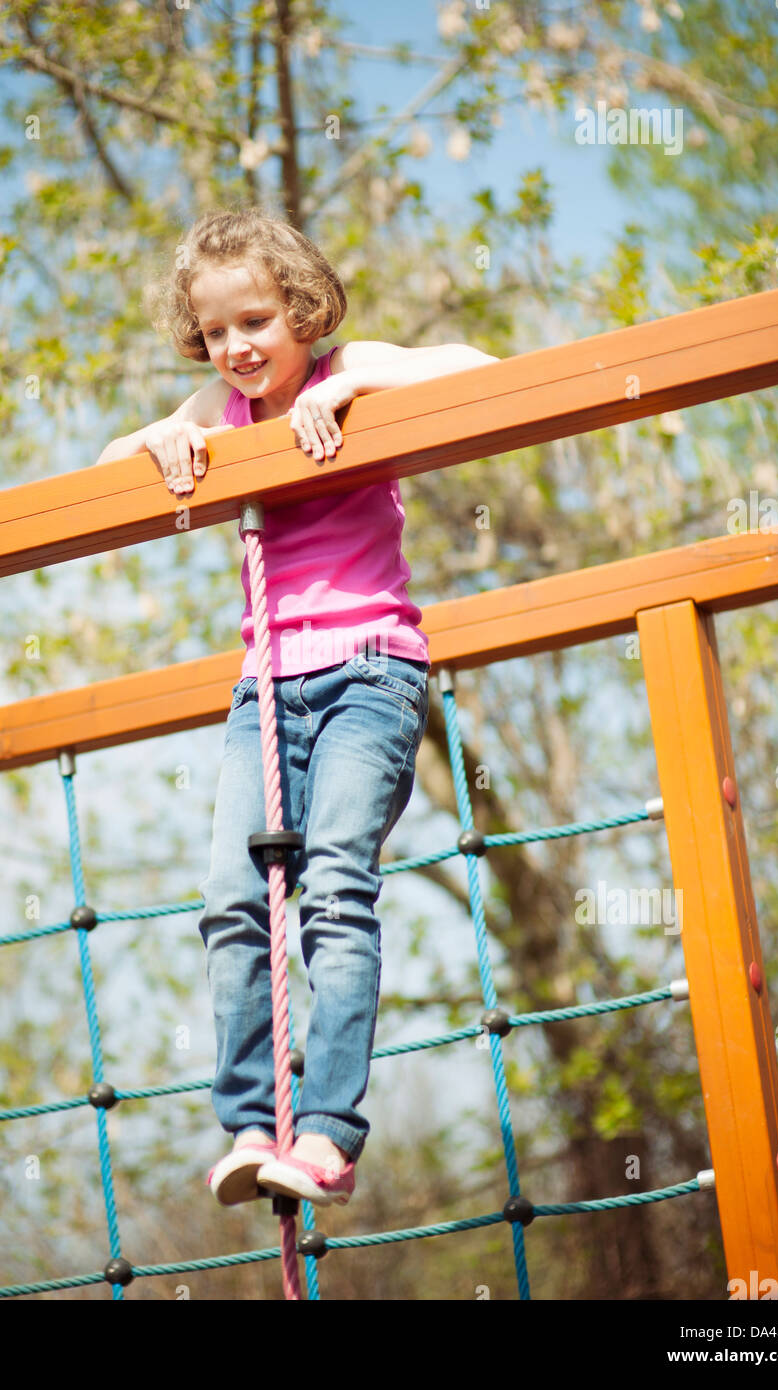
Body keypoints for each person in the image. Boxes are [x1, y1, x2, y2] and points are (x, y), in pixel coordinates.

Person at [96, 205, 497, 1207]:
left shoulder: (343, 368)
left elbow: (481, 368)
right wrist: (158, 443)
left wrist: (359, 386)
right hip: (263, 690)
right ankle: (247, 1120)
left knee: (331, 889)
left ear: (303, 312)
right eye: (215, 330)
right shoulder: (216, 407)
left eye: (256, 322)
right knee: (230, 901)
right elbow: (102, 476)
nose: (236, 346)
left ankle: (325, 1132)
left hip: (369, 673)